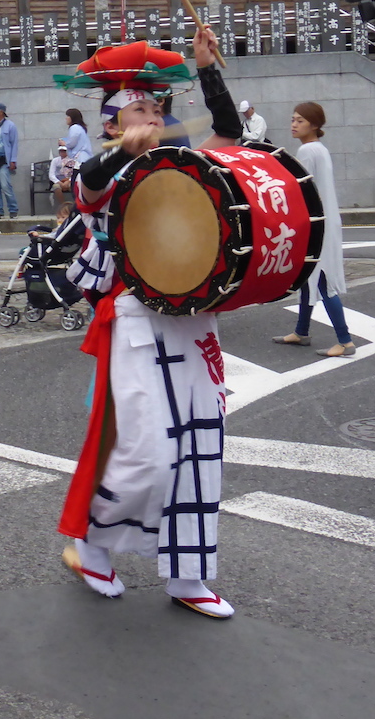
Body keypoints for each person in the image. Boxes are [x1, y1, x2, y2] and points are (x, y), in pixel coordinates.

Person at [57, 31, 241, 620]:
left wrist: (208, 70)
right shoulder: (106, 173)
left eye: (158, 107)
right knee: (149, 453)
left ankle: (189, 574)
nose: (154, 116)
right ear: (112, 123)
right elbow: (87, 187)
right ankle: (93, 542)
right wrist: (120, 152)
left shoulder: (183, 166)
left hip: (194, 319)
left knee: (199, 450)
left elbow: (229, 133)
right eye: (140, 109)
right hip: (136, 321)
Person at [272, 102, 354, 357]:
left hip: (317, 224)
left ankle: (345, 341)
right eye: (293, 119)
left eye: (300, 120)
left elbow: (301, 190)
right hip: (324, 220)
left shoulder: (307, 150)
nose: (294, 124)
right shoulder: (319, 148)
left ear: (314, 125)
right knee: (309, 275)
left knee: (321, 279)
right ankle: (302, 331)